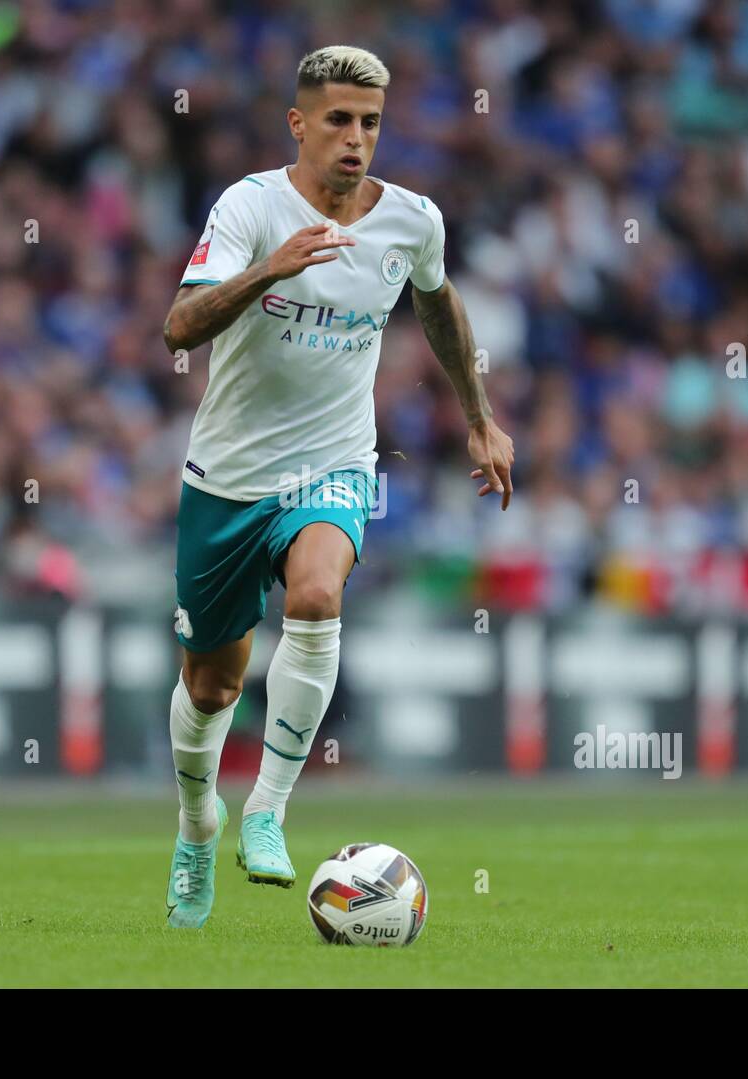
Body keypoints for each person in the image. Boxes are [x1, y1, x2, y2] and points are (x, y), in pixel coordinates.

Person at [160, 45, 515, 927]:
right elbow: (178, 325)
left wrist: (478, 413)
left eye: (370, 123)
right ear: (299, 123)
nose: (356, 139)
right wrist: (267, 271)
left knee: (318, 594)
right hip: (229, 476)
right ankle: (197, 824)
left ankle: (269, 809)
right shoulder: (249, 206)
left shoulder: (410, 220)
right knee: (211, 685)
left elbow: (438, 302)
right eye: (338, 121)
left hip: (333, 463)